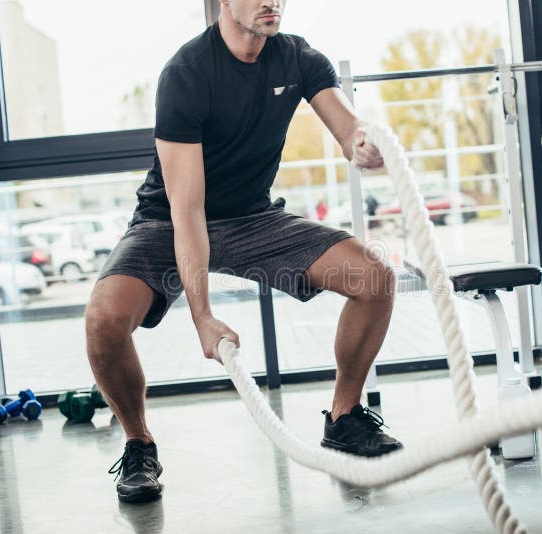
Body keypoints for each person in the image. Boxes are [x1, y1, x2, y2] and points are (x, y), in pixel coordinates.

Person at [85, 0, 402, 504]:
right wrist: (203, 316)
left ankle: (344, 417)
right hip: (167, 220)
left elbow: (347, 127)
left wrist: (362, 144)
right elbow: (187, 211)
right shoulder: (187, 73)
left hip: (252, 217)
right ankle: (139, 444)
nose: (271, 1)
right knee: (103, 322)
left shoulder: (299, 59)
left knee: (376, 279)